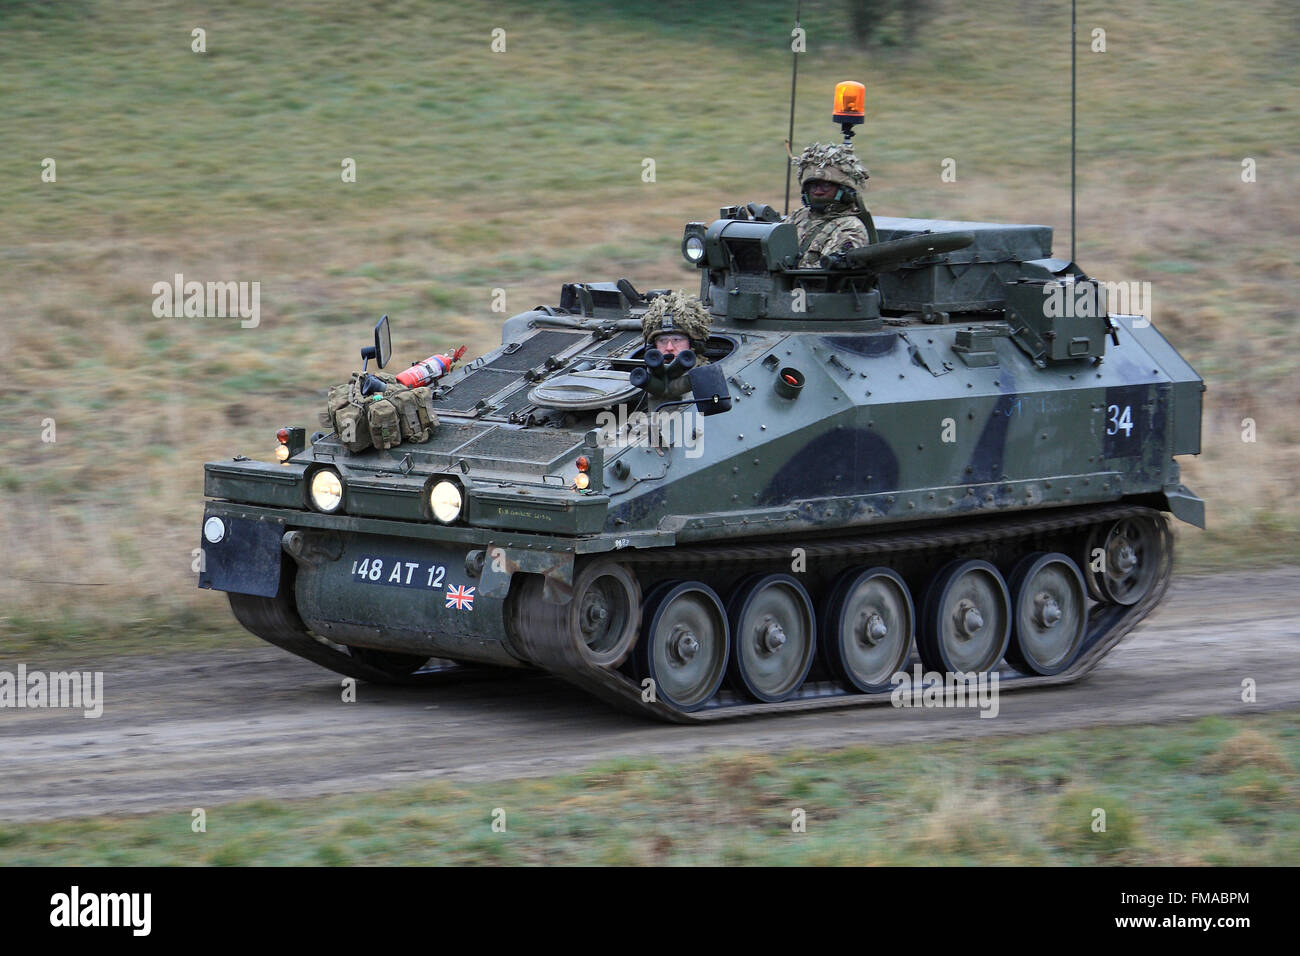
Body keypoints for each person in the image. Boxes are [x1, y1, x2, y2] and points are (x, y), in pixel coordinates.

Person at [788, 142, 872, 268]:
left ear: (843, 190)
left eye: (826, 185)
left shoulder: (850, 227)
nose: (818, 191)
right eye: (813, 186)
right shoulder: (799, 216)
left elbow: (826, 271)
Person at [639, 290, 710, 400]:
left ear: (694, 344)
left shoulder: (707, 377)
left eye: (677, 340)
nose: (669, 348)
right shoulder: (645, 378)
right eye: (662, 341)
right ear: (653, 347)